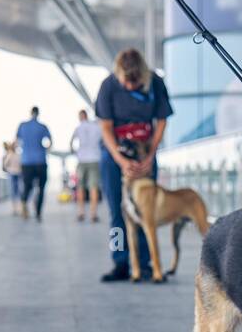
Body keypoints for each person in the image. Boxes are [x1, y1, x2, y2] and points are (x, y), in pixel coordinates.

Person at [95, 47, 172, 282]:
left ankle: (146, 263)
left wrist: (150, 156)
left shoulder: (155, 83)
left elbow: (161, 121)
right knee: (117, 211)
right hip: (114, 155)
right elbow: (105, 127)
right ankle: (120, 262)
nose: (130, 87)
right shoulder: (108, 86)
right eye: (126, 83)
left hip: (144, 152)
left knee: (145, 212)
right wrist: (121, 161)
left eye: (135, 82)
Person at [15, 106, 52, 221]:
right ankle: (38, 213)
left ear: (30, 113)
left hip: (26, 161)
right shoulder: (43, 127)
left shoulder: (22, 126)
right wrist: (44, 149)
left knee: (27, 186)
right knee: (41, 188)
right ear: (38, 113)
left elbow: (17, 142)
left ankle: (24, 203)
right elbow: (49, 142)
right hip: (41, 160)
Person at [71, 109, 102, 223]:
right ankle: (93, 214)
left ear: (80, 117)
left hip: (82, 159)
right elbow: (103, 140)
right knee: (94, 187)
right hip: (95, 158)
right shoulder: (96, 127)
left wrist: (76, 152)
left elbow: (71, 143)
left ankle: (81, 212)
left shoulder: (78, 128)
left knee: (80, 187)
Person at [1, 140, 22, 214]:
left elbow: (5, 165)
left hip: (13, 173)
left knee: (14, 191)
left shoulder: (10, 154)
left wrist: (8, 169)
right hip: (18, 173)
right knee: (18, 191)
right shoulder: (18, 155)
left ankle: (16, 208)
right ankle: (17, 208)